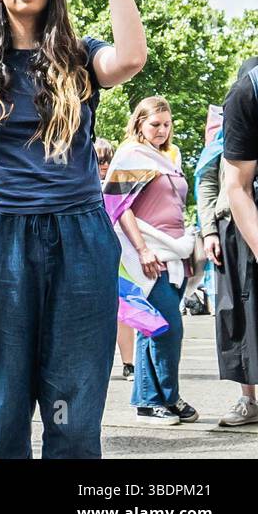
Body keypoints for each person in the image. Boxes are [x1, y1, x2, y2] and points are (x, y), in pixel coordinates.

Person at [0, 0, 147, 459]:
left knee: (75, 409)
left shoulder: (80, 57)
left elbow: (131, 58)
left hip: (80, 238)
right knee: (5, 412)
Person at [104, 97, 198, 424]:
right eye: (155, 124)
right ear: (139, 123)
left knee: (156, 328)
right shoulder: (130, 154)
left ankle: (155, 399)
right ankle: (158, 398)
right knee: (165, 327)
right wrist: (142, 249)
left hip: (175, 252)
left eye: (166, 124)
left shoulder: (170, 157)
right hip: (146, 253)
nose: (161, 129)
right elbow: (117, 205)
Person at [213, 57, 258, 426]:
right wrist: (208, 232)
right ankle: (248, 398)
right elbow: (211, 181)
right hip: (238, 226)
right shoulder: (242, 102)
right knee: (241, 311)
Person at [96, 137, 136, 381]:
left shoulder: (117, 185)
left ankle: (129, 362)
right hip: (92, 253)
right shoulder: (80, 184)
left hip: (119, 253)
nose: (104, 164)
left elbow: (126, 214)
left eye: (108, 159)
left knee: (124, 311)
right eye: (100, 159)